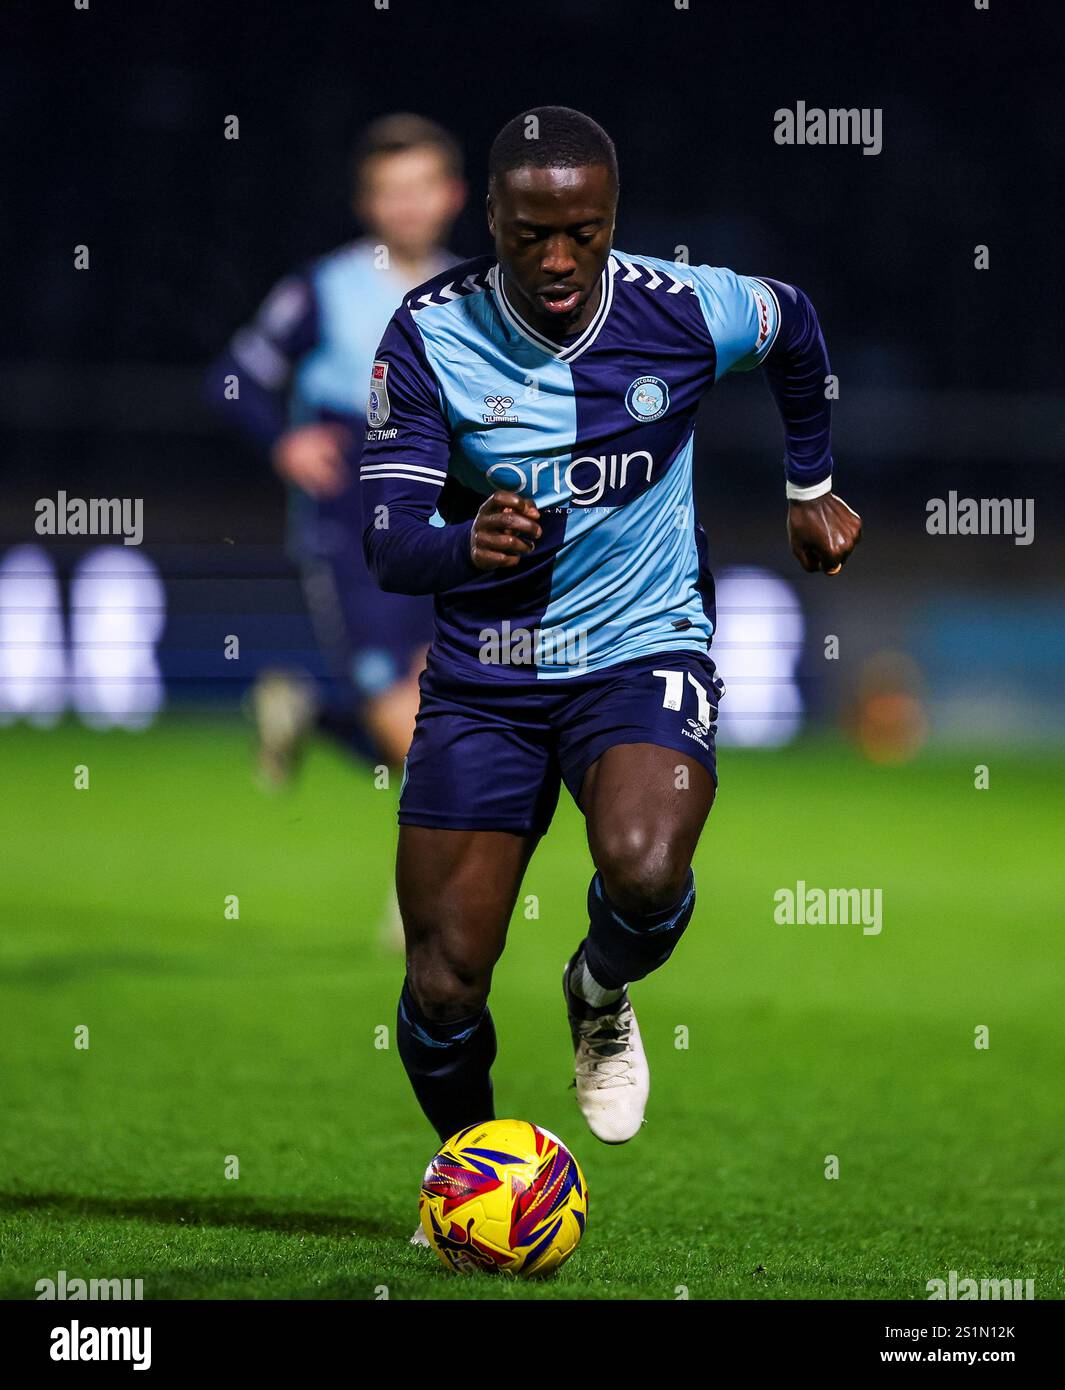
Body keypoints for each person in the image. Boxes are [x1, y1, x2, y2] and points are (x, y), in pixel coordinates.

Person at [359, 106, 862, 1172]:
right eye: (529, 231)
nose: (556, 258)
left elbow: (797, 327)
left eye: (581, 232)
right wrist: (464, 549)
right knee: (444, 978)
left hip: (641, 647)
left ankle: (597, 988)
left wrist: (810, 486)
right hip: (485, 678)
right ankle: (480, 1172)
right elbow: (390, 542)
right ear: (489, 217)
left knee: (642, 868)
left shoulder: (683, 309)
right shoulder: (428, 334)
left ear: (611, 218)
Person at [207, 114, 467, 782]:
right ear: (366, 204)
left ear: (453, 196)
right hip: (352, 523)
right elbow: (234, 376)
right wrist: (283, 441)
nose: (407, 204)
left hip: (454, 524)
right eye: (390, 190)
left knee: (458, 713)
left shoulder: (477, 296)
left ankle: (306, 714)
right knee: (412, 732)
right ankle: (431, 886)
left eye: (421, 186)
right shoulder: (322, 288)